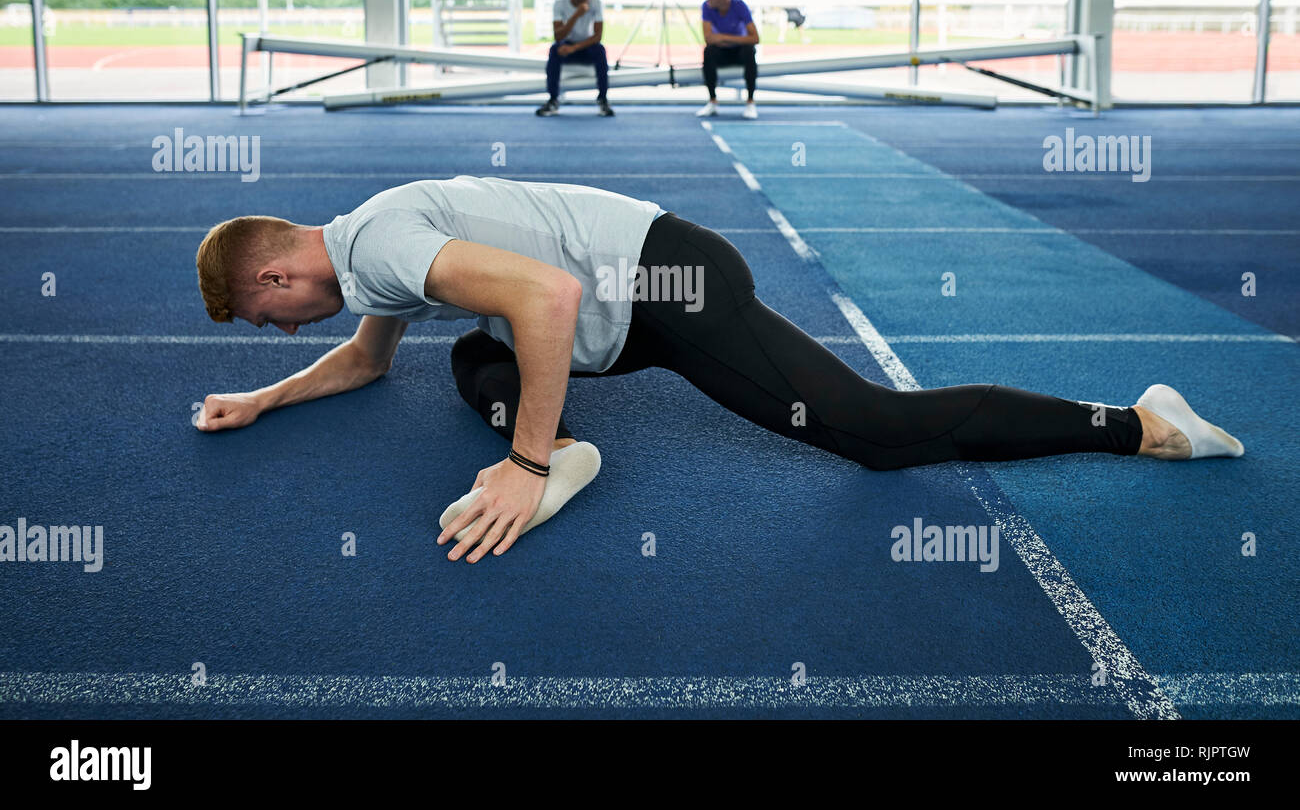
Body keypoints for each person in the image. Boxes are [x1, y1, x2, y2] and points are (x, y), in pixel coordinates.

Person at [193, 177, 1245, 565]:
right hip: (623, 291)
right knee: (470, 347)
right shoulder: (371, 254)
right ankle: (560, 445)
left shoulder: (375, 245)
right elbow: (367, 364)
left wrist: (516, 462)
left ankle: (1139, 421)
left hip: (666, 282)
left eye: (263, 319)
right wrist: (265, 397)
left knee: (871, 433)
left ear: (280, 270)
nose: (278, 332)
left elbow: (548, 300)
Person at [536, 0, 613, 117]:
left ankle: (603, 99)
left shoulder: (595, 2)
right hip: (567, 46)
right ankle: (553, 100)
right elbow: (558, 36)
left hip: (586, 46)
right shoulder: (560, 3)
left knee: (600, 50)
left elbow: (598, 36)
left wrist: (574, 48)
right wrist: (577, 14)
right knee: (554, 50)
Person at [696, 0, 759, 120]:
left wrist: (724, 37)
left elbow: (755, 38)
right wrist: (722, 40)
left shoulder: (739, 6)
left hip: (739, 51)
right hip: (721, 51)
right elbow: (708, 38)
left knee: (749, 50)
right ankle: (712, 101)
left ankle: (750, 102)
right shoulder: (707, 7)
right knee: (708, 51)